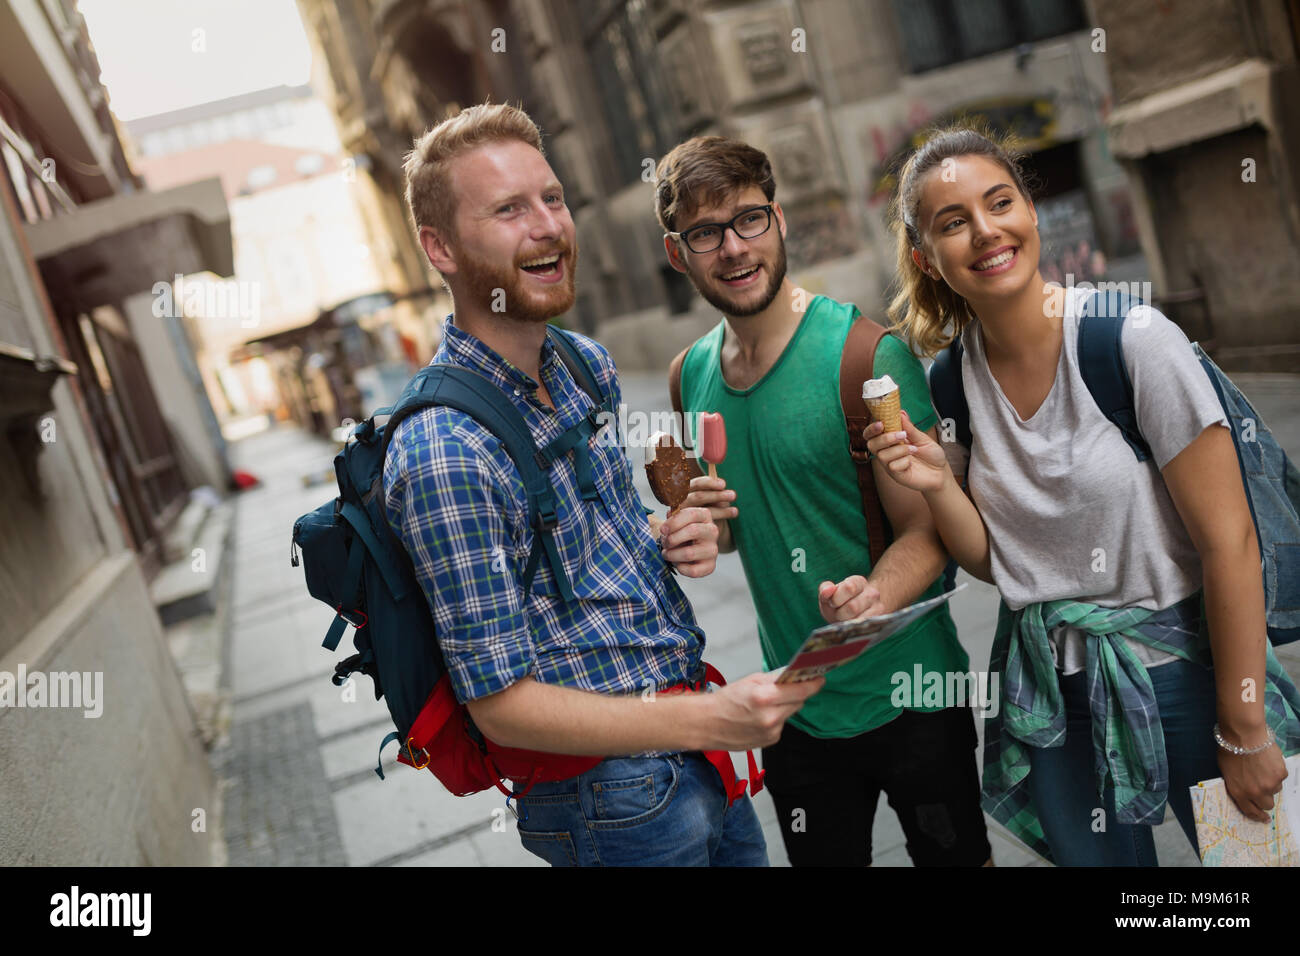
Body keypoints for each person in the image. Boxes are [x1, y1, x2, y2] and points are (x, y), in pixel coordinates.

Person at [385, 104, 823, 867]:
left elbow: (577, 556)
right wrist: (710, 720)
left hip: (693, 748)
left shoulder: (585, 364)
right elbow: (500, 704)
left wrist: (666, 537)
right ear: (440, 246)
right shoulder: (443, 451)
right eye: (509, 209)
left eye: (552, 198)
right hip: (608, 801)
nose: (548, 226)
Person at [867, 125, 1299, 865]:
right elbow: (998, 564)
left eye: (999, 202)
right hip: (1053, 694)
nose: (985, 232)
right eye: (952, 222)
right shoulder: (949, 385)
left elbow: (1232, 545)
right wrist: (938, 483)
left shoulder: (1128, 341)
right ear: (924, 258)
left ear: (1030, 211)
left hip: (1191, 679)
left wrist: (1244, 724)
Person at [655, 135, 992, 866]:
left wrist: (873, 594)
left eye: (748, 220)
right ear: (679, 254)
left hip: (913, 694)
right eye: (706, 234)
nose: (734, 249)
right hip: (796, 709)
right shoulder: (689, 378)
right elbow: (738, 524)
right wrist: (701, 530)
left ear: (778, 220)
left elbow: (928, 530)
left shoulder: (867, 359)